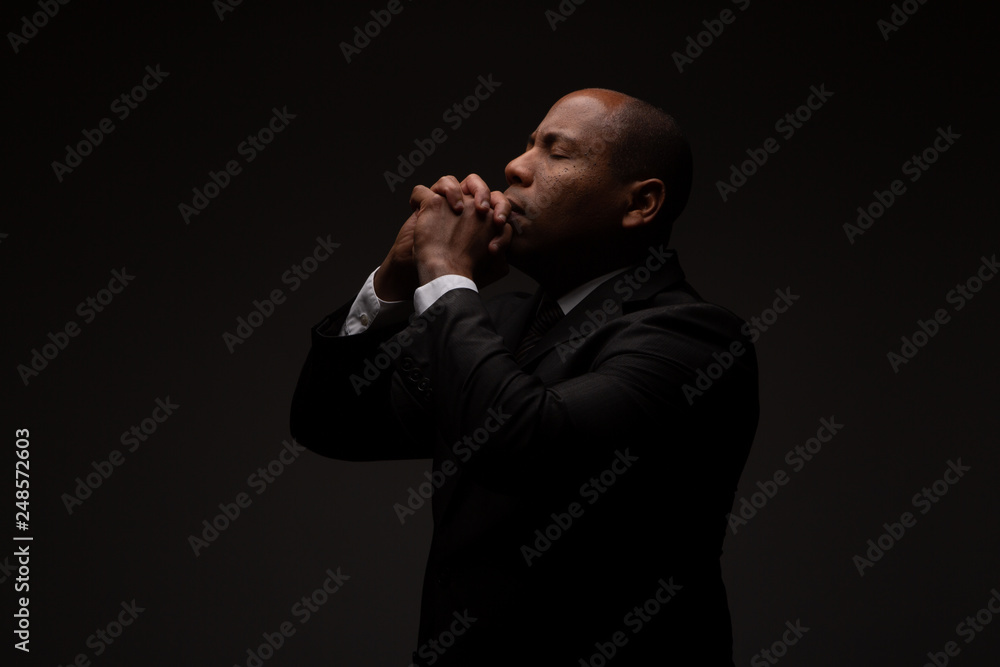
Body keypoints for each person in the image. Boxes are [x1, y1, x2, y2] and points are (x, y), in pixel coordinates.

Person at [290, 88, 759, 665]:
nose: (514, 166)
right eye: (527, 145)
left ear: (640, 204)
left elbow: (521, 440)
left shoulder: (694, 341)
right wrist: (396, 276)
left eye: (556, 153)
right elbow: (333, 422)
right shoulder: (497, 321)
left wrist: (445, 274)